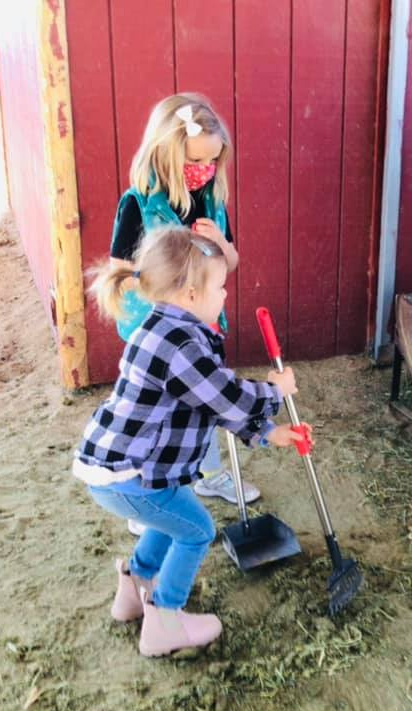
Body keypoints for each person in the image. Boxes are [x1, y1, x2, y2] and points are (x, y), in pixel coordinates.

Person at [73, 225, 305, 656]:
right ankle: (165, 620)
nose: (224, 295)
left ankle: (133, 590)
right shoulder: (180, 345)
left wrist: (269, 432)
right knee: (197, 530)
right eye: (219, 286)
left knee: (171, 517)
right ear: (191, 295)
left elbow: (208, 405)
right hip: (131, 473)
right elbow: (228, 396)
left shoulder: (163, 327)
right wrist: (276, 391)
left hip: (120, 466)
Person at [109, 92, 257, 533]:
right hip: (155, 335)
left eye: (212, 162)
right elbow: (121, 271)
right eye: (196, 162)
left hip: (201, 329)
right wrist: (169, 277)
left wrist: (222, 244)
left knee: (201, 404)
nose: (204, 172)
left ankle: (210, 476)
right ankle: (151, 494)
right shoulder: (138, 204)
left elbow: (229, 263)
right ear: (166, 154)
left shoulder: (212, 200)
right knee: (160, 413)